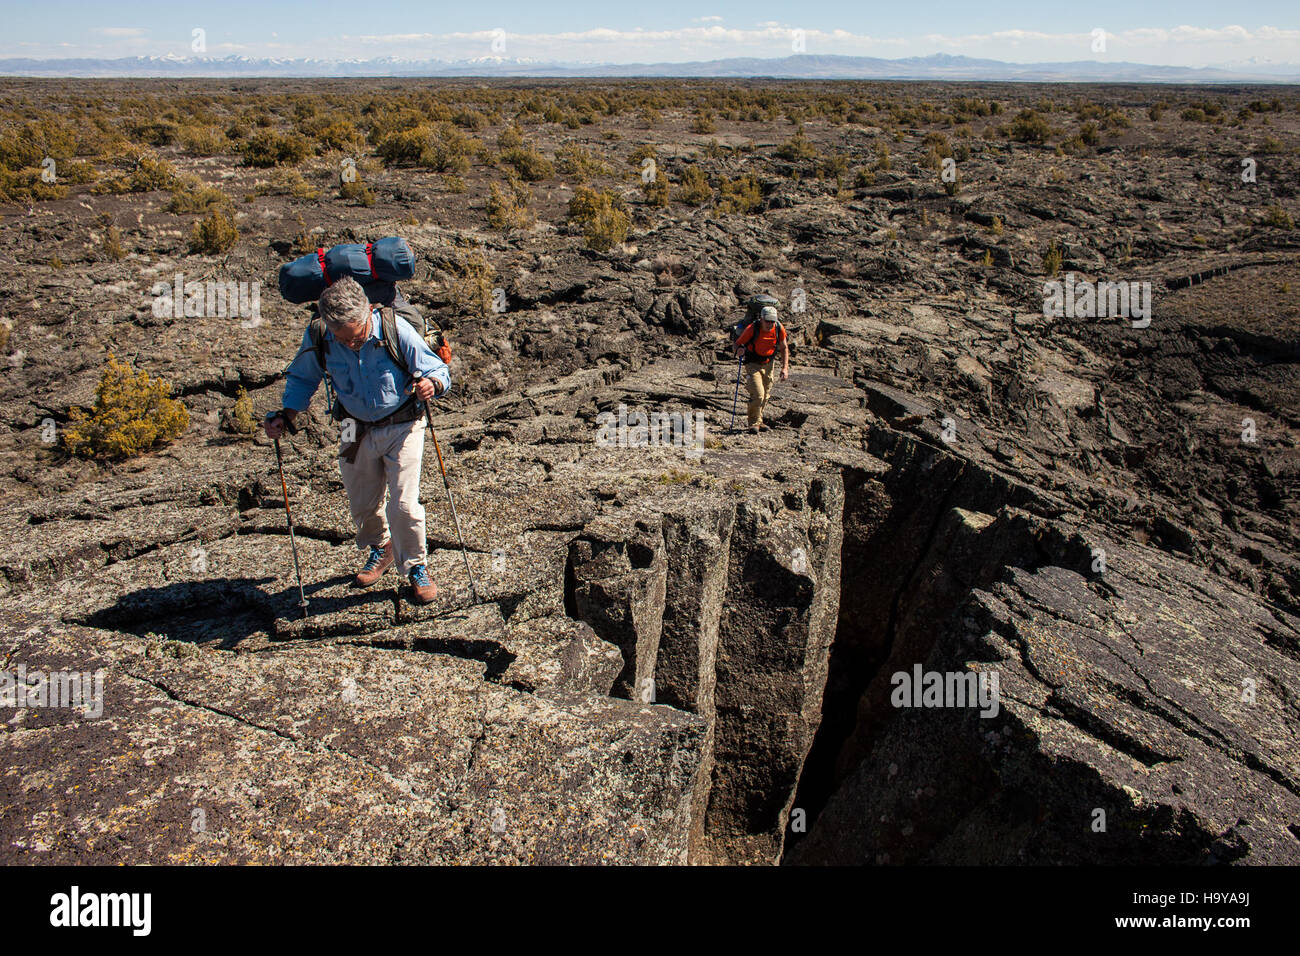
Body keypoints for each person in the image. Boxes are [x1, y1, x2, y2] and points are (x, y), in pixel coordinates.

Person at [263, 277, 451, 603]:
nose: (350, 343)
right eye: (343, 339)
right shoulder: (321, 335)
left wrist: (432, 384)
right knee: (361, 500)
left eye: (356, 335)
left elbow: (436, 368)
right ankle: (382, 546)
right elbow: (303, 377)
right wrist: (286, 415)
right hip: (352, 426)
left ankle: (417, 566)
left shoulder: (394, 328)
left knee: (404, 503)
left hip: (402, 423)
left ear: (368, 314)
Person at [733, 305, 790, 432]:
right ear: (761, 319)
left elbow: (784, 347)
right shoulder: (752, 328)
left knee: (766, 395)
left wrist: (785, 368)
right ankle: (753, 423)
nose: (770, 324)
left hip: (769, 363)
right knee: (758, 394)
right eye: (767, 321)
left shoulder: (778, 328)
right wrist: (739, 350)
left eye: (772, 321)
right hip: (753, 363)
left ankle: (759, 421)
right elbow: (736, 344)